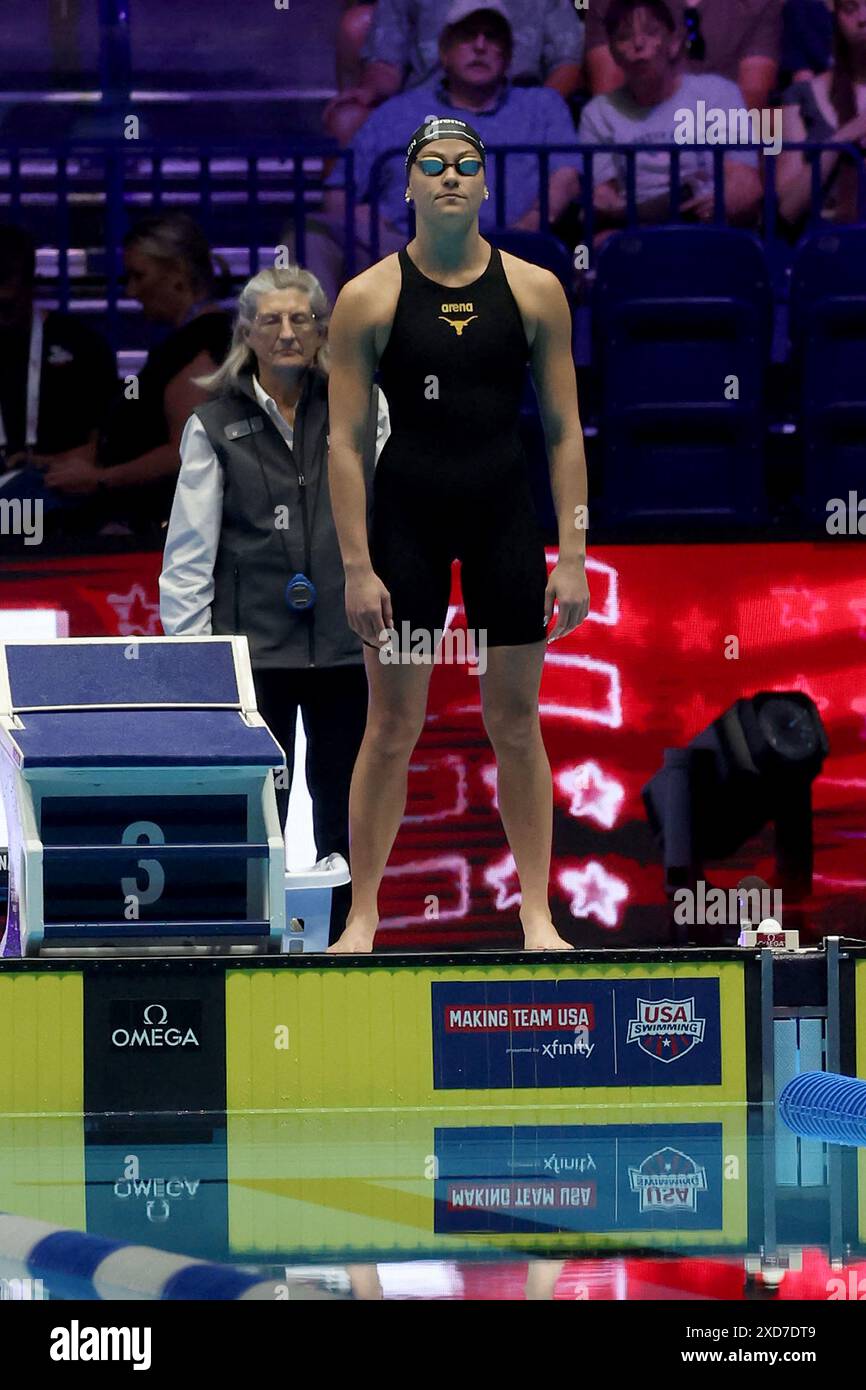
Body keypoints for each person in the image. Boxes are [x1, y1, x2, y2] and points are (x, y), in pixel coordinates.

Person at [325, 115, 590, 954]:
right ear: (407, 185)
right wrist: (357, 566)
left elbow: (564, 431)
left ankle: (537, 914)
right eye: (432, 164)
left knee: (516, 723)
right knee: (392, 726)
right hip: (408, 518)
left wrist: (574, 554)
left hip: (502, 517)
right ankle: (364, 913)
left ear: (484, 185)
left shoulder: (536, 289)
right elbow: (343, 442)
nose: (448, 175)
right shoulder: (367, 297)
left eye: (465, 164)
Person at [159, 266, 390, 946]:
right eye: (271, 321)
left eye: (301, 319)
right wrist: (194, 661)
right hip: (251, 649)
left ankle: (355, 932)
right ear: (247, 334)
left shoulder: (363, 406)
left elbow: (391, 519)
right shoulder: (213, 423)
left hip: (349, 643)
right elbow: (188, 555)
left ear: (323, 331)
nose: (287, 332)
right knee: (259, 805)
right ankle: (251, 940)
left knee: (350, 803)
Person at [312, 2, 581, 303]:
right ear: (444, 53)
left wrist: (528, 224)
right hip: (403, 249)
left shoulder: (542, 107)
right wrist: (360, 223)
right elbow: (339, 190)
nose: (480, 46)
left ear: (507, 58)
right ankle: (330, 346)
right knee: (312, 235)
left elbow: (566, 176)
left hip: (504, 249)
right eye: (467, 37)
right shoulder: (397, 112)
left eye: (492, 38)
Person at [44, 213, 232, 533]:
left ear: (178, 273)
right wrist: (48, 464)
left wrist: (100, 480)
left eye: (139, 276)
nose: (131, 291)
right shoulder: (177, 346)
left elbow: (184, 452)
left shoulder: (205, 346)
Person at [578, 0, 763, 231]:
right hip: (636, 232)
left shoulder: (719, 94)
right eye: (624, 37)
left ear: (674, 43)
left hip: (708, 226)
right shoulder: (598, 113)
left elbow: (745, 182)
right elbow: (603, 193)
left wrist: (723, 203)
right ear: (613, 53)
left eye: (651, 32)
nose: (638, 43)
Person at [324, 0, 585, 145]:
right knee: (349, 117)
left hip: (514, 108)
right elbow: (386, 61)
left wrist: (537, 110)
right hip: (425, 109)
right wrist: (370, 89)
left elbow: (567, 60)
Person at [0, 224, 117, 477]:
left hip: (61, 496)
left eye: (6, 306)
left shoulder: (83, 346)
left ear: (32, 286)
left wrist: (47, 461)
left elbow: (106, 444)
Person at [585, 0, 783, 111]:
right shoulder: (607, 3)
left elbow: (752, 101)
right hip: (638, 143)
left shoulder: (758, 4)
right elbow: (608, 101)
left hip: (722, 145)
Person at [778, 0, 866, 224]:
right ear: (835, 17)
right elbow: (787, 208)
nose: (863, 18)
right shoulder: (800, 97)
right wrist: (843, 138)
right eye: (850, 9)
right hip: (825, 247)